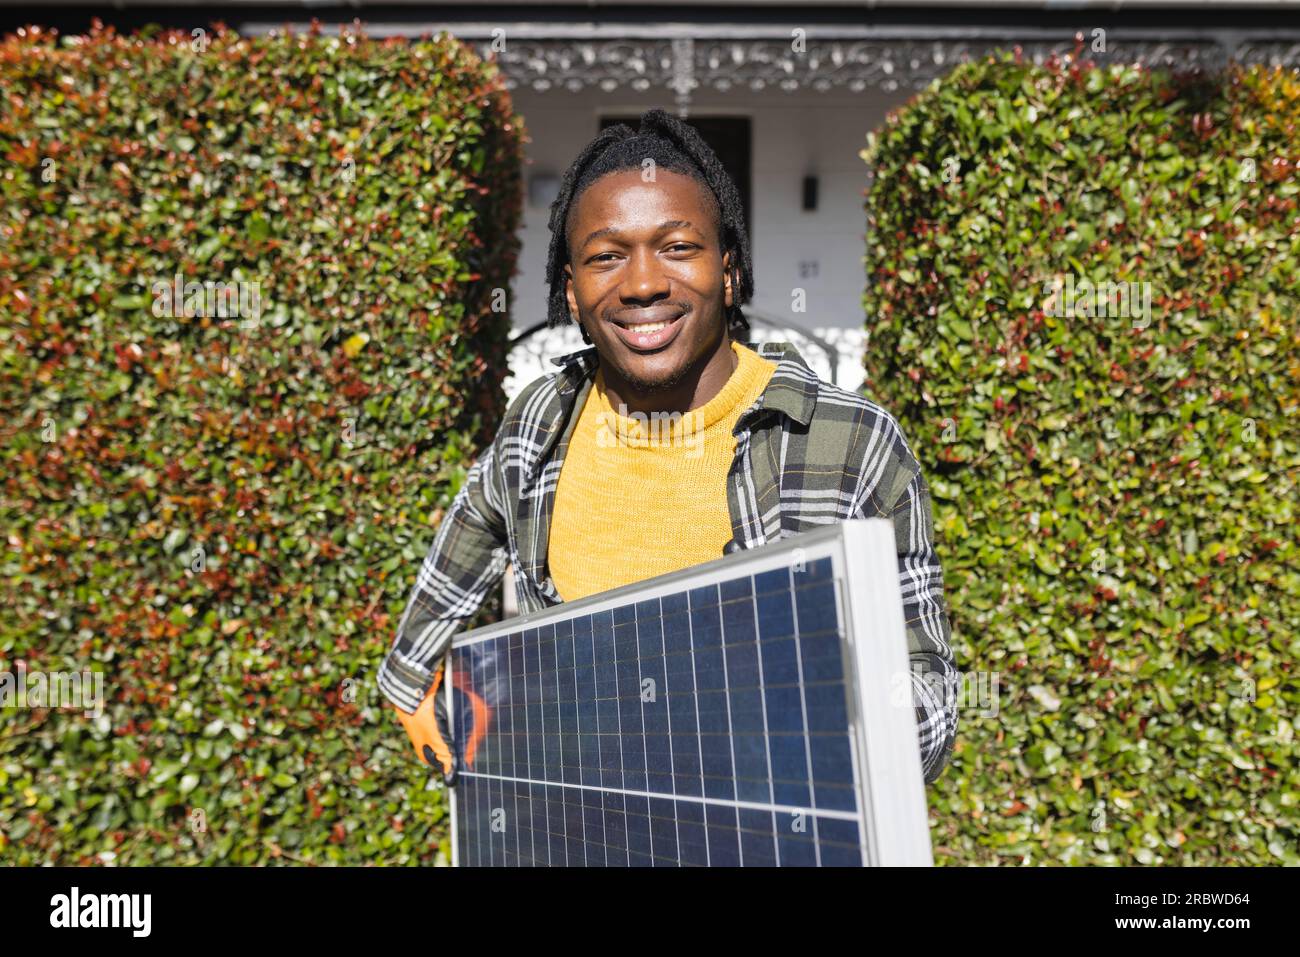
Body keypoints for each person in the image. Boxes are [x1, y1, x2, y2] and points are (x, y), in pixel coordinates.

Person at [377, 107, 958, 790]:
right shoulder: (542, 420)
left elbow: (929, 704)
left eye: (679, 247)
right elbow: (476, 520)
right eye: (605, 256)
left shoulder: (847, 443)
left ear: (731, 270)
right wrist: (411, 675)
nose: (644, 282)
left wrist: (801, 720)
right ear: (571, 290)